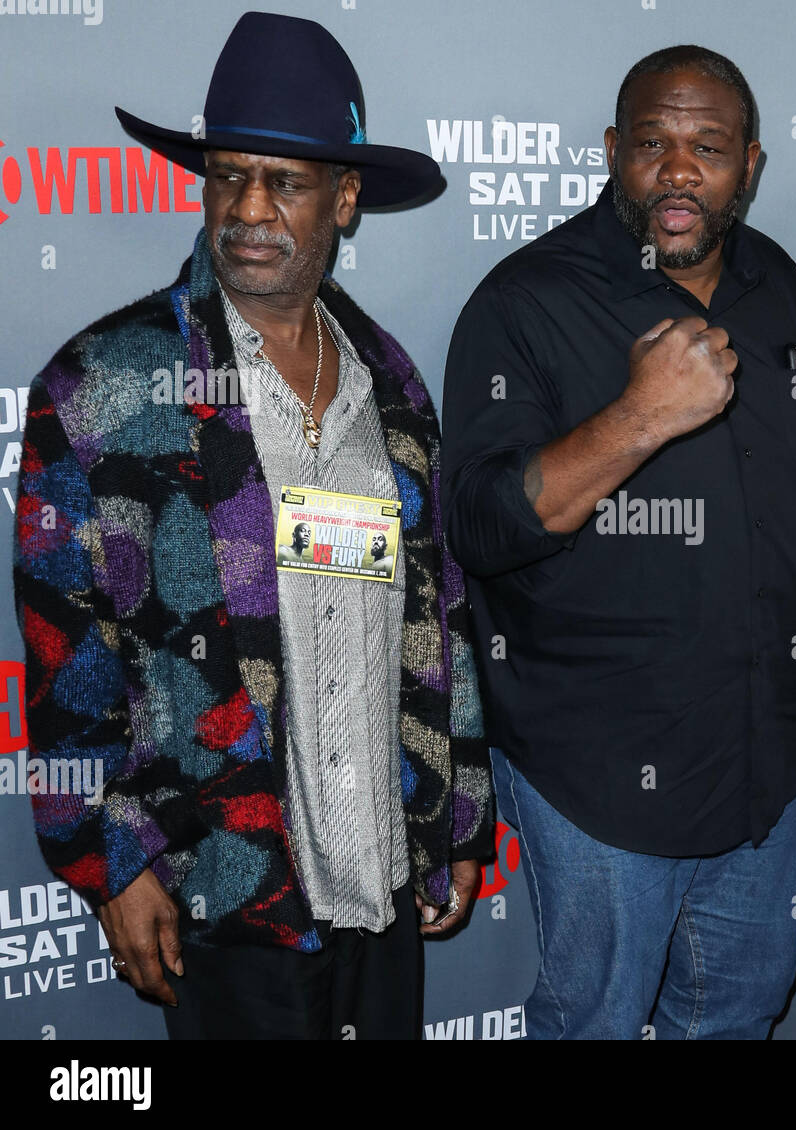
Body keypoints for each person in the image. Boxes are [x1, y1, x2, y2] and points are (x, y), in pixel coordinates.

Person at [13, 12, 493, 1040]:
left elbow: (436, 617)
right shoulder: (102, 386)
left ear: (347, 199)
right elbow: (64, 657)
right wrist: (111, 863)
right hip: (222, 876)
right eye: (230, 175)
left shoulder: (391, 383)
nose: (251, 209)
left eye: (287, 181)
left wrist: (451, 813)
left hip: (378, 869)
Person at [441, 44, 796, 1040]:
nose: (678, 171)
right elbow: (479, 525)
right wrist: (638, 416)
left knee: (736, 1013)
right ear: (611, 153)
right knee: (595, 1019)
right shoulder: (525, 300)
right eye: (651, 145)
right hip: (599, 773)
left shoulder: (780, 290)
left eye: (706, 148)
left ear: (750, 164)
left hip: (762, 754)